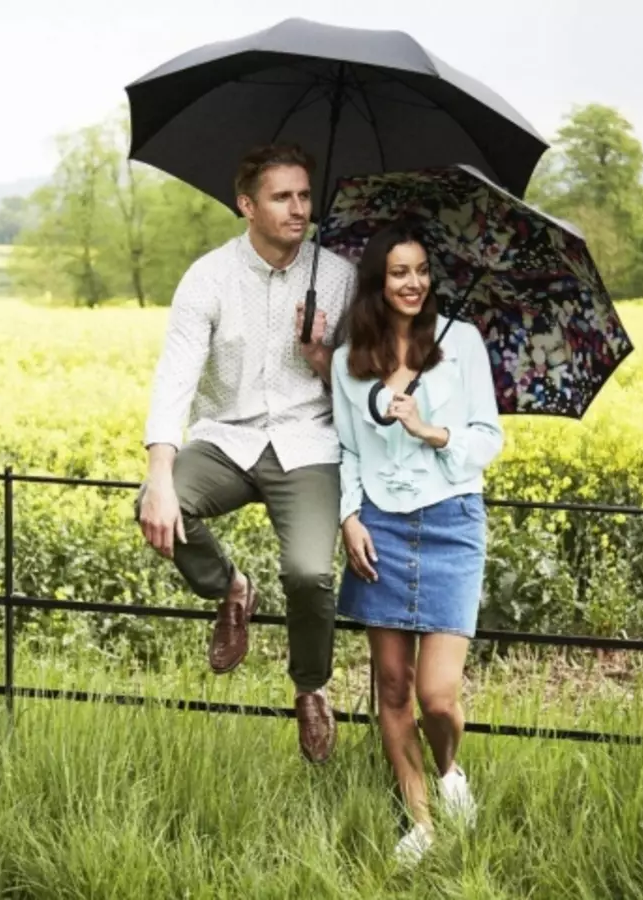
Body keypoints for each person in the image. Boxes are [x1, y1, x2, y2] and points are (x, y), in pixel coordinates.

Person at [136, 143, 358, 763]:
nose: (298, 209)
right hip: (227, 437)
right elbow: (175, 375)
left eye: (304, 196)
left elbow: (358, 385)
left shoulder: (337, 277)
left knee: (310, 573)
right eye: (281, 197)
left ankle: (309, 687)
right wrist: (159, 473)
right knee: (161, 504)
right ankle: (232, 588)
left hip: (307, 440)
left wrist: (320, 357)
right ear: (246, 205)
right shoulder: (207, 277)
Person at [330, 220, 503, 864]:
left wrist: (435, 433)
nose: (414, 282)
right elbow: (344, 447)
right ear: (378, 281)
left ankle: (451, 771)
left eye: (422, 270)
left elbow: (489, 437)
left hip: (453, 522)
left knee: (437, 695)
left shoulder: (462, 343)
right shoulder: (352, 358)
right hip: (380, 526)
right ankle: (419, 822)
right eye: (399, 271)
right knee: (393, 689)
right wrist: (349, 517)